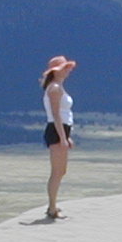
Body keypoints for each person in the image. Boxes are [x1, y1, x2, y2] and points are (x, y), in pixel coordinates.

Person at [42, 54, 75, 219]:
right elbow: (56, 114)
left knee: (61, 170)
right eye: (64, 68)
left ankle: (53, 205)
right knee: (57, 171)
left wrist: (66, 136)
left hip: (62, 129)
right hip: (57, 130)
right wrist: (62, 137)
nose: (67, 71)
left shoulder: (58, 87)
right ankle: (52, 207)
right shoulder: (54, 88)